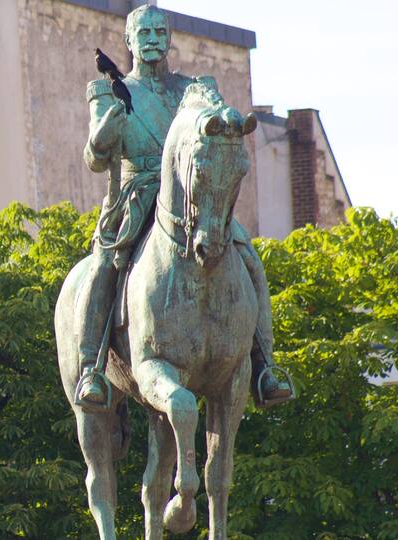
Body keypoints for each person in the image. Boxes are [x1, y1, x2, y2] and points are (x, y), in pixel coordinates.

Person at [75, 4, 293, 409]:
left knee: (246, 254)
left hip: (193, 195)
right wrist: (107, 127)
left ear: (170, 39)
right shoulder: (107, 89)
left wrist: (228, 118)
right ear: (128, 40)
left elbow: (215, 112)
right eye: (144, 33)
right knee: (104, 264)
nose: (152, 40)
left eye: (160, 33)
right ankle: (91, 368)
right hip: (137, 194)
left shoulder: (192, 88)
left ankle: (265, 365)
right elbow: (94, 157)